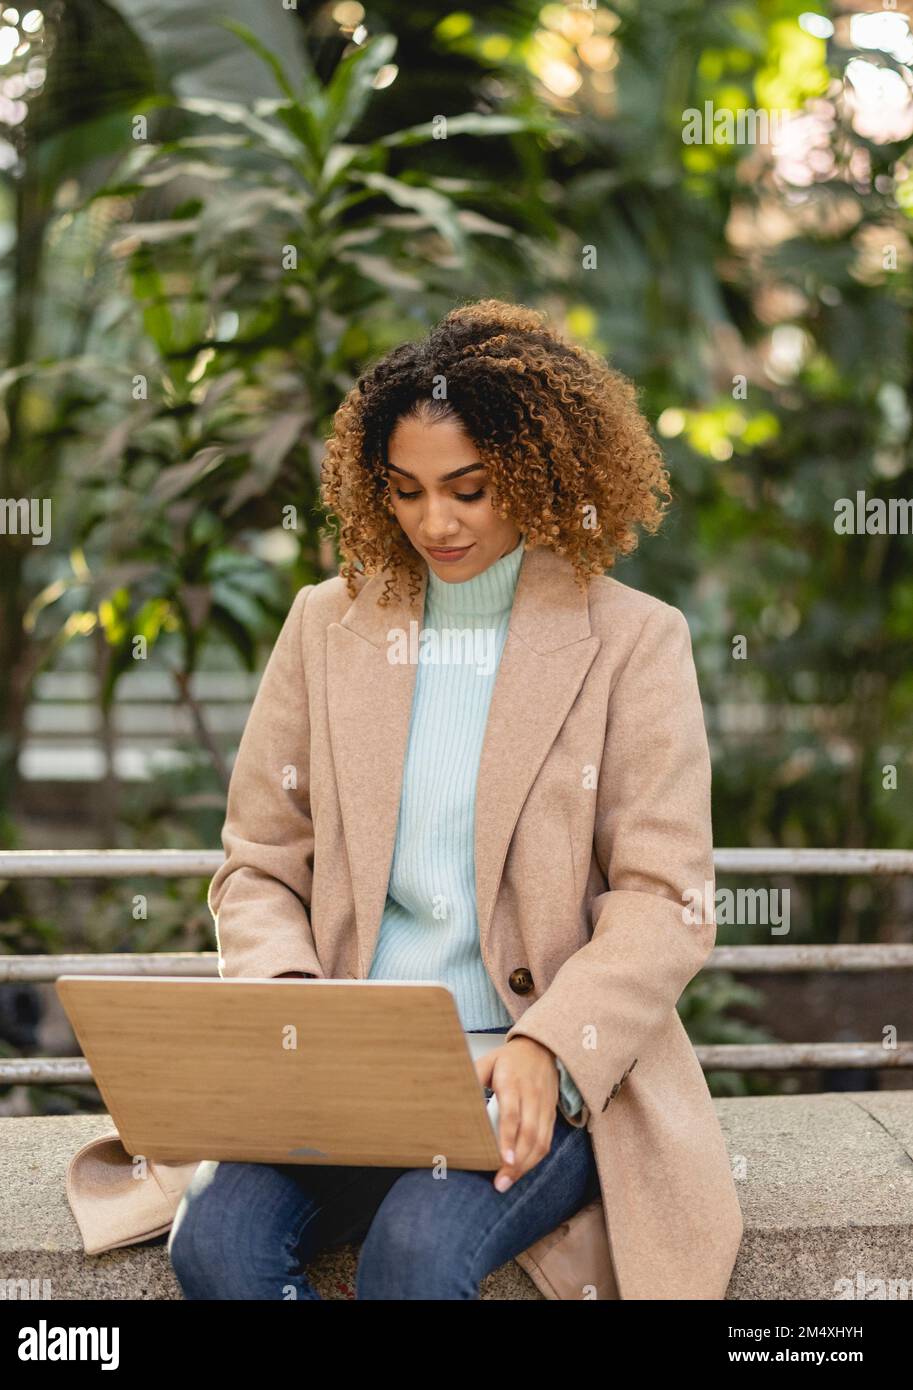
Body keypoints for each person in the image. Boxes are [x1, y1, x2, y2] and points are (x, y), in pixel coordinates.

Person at [168, 298, 737, 1300]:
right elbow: (258, 862)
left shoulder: (636, 642)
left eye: (470, 490)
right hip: (343, 1069)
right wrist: (293, 1013)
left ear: (536, 470)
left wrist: (545, 1047)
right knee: (213, 1245)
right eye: (407, 490)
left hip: (537, 1074)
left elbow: (664, 899)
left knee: (416, 1256)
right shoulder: (324, 626)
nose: (436, 521)